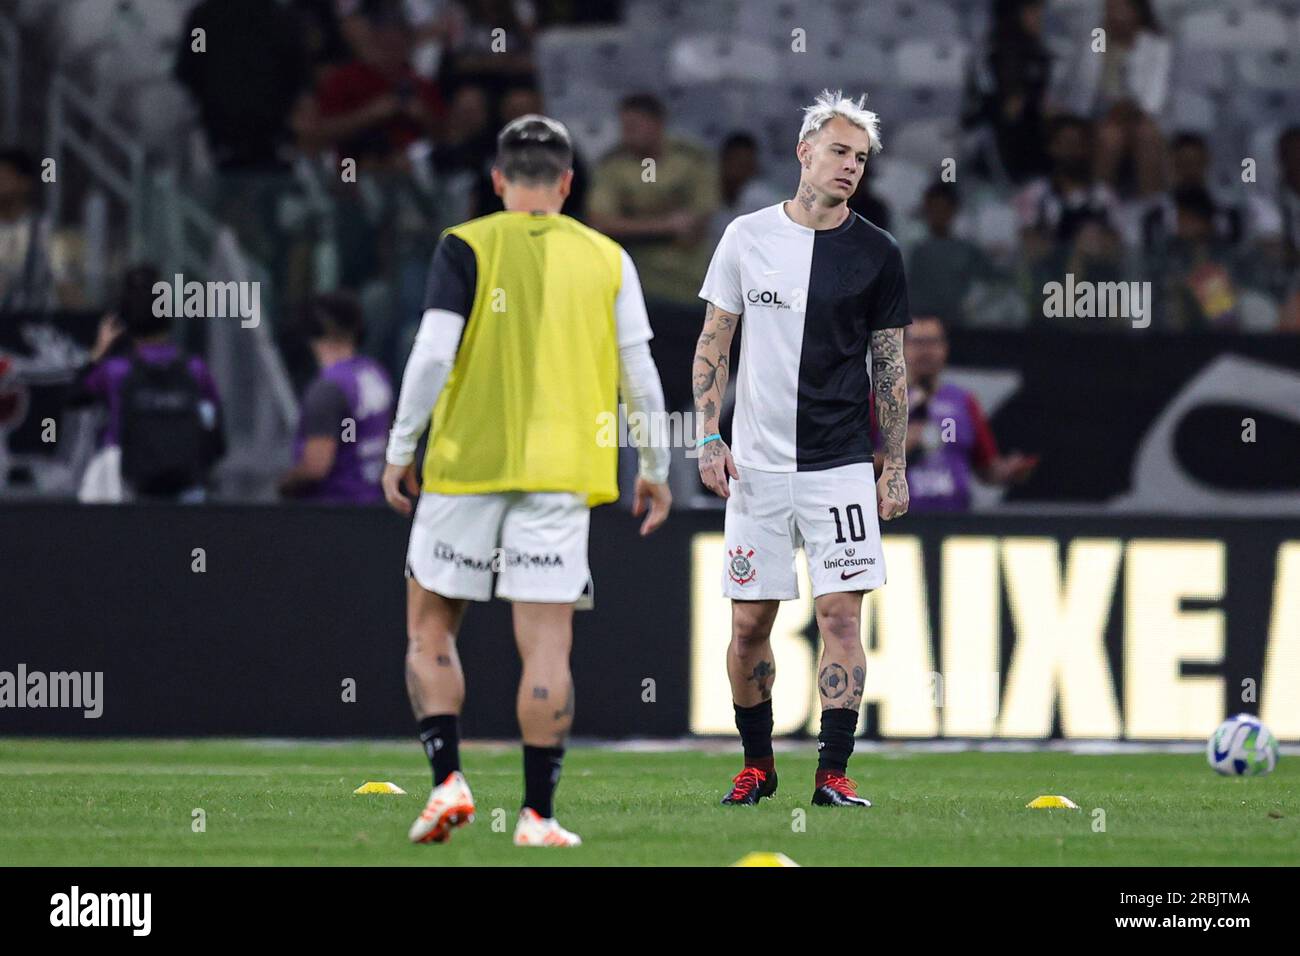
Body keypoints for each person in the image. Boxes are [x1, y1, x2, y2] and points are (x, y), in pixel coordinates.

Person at [382, 114, 672, 848]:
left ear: (499, 181)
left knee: (430, 626)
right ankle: (538, 816)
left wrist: (399, 447)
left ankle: (447, 781)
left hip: (465, 469)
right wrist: (658, 467)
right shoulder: (608, 257)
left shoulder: (467, 244)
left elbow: (430, 354)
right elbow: (639, 372)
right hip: (561, 475)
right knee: (546, 647)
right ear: (570, 184)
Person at [693, 90, 910, 810]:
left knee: (841, 620)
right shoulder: (746, 238)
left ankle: (834, 772)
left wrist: (897, 464)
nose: (851, 166)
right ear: (804, 152)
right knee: (749, 626)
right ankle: (758, 765)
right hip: (756, 468)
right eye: (840, 151)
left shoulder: (879, 253)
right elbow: (714, 342)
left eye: (861, 158)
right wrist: (707, 435)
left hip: (841, 466)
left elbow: (891, 366)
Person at [71, 266, 225, 502]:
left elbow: (73, 396)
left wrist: (99, 351)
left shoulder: (115, 370)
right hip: (185, 479)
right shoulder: (195, 369)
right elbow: (218, 435)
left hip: (122, 479)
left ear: (124, 321)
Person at [877, 315, 1037, 512]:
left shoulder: (963, 402)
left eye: (933, 342)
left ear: (945, 347)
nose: (926, 351)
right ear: (902, 347)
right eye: (918, 342)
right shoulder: (880, 401)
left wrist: (1008, 472)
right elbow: (855, 465)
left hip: (955, 522)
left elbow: (986, 469)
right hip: (900, 525)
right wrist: (895, 454)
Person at [280, 292, 393, 504]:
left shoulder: (328, 390)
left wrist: (284, 485)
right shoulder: (374, 373)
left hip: (334, 509)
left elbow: (316, 466)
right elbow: (355, 432)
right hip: (372, 500)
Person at [0, 149, 57, 312]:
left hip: (32, 323)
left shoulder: (42, 229)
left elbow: (64, 283)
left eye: (5, 176)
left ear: (24, 182)